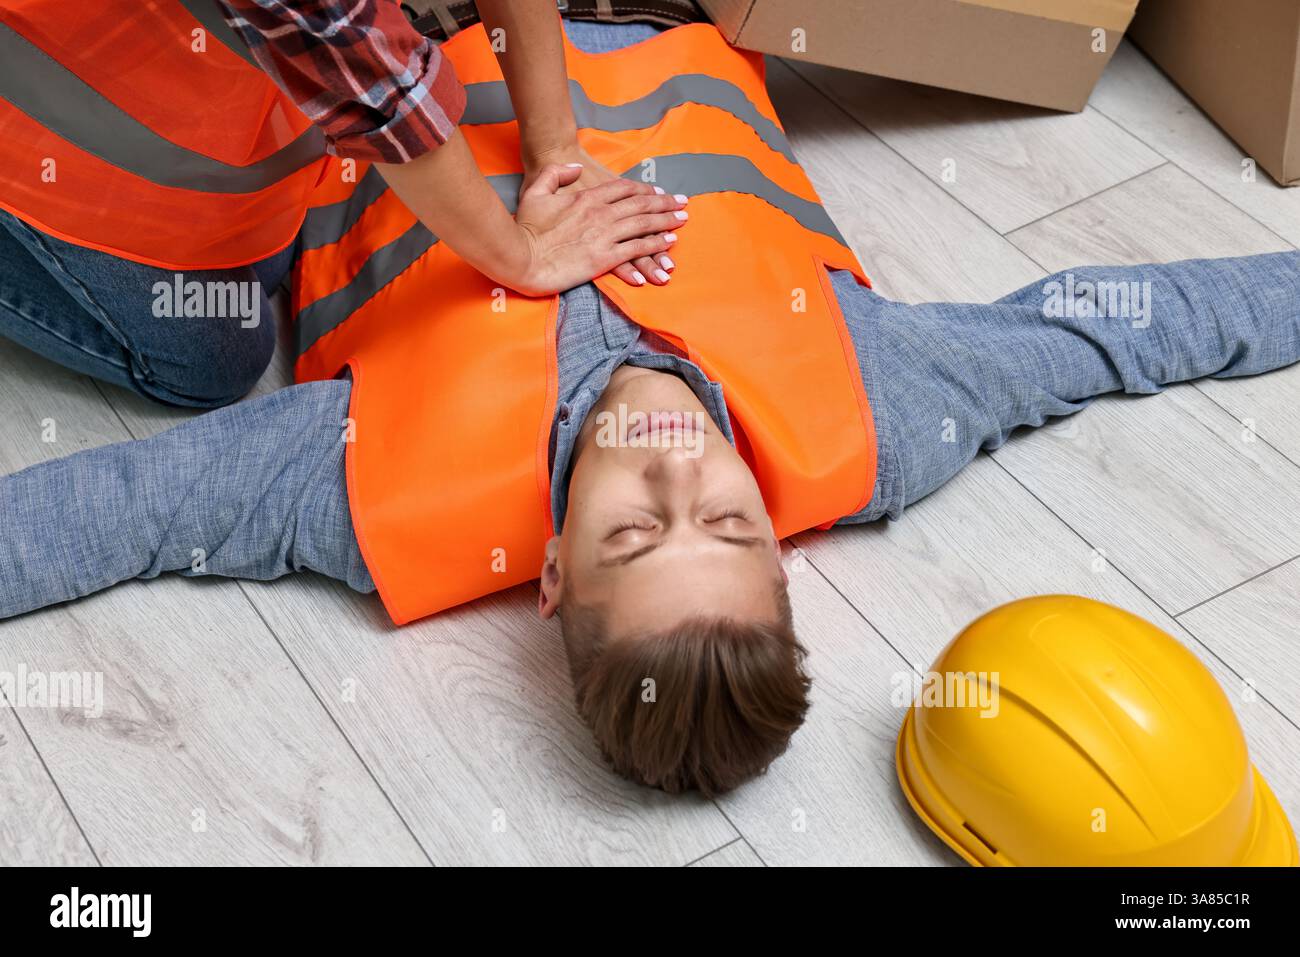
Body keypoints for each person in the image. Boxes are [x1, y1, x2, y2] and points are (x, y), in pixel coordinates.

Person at [3, 20, 1299, 797]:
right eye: (727, 529)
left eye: (635, 535)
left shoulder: (370, 489)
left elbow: (110, 506)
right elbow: (1116, 329)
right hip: (643, 12)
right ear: (781, 543)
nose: (680, 474)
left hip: (388, 46)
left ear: (556, 572)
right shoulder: (889, 410)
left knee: (201, 350)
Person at [0, 0, 682, 408]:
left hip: (140, 81)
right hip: (29, 113)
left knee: (264, 269)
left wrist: (556, 142)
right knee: (214, 354)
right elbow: (371, 79)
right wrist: (522, 258)